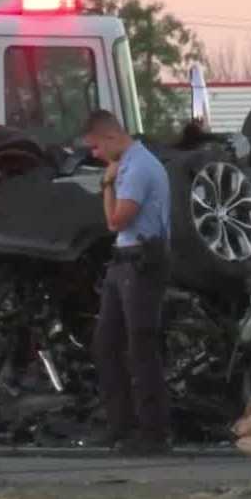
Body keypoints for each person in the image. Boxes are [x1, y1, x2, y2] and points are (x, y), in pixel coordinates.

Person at [82, 108, 172, 456]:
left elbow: (117, 220)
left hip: (140, 263)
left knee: (140, 348)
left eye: (95, 147)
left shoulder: (136, 169)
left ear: (110, 137)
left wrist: (107, 184)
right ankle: (121, 427)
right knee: (106, 344)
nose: (95, 155)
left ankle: (153, 432)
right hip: (124, 261)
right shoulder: (133, 165)